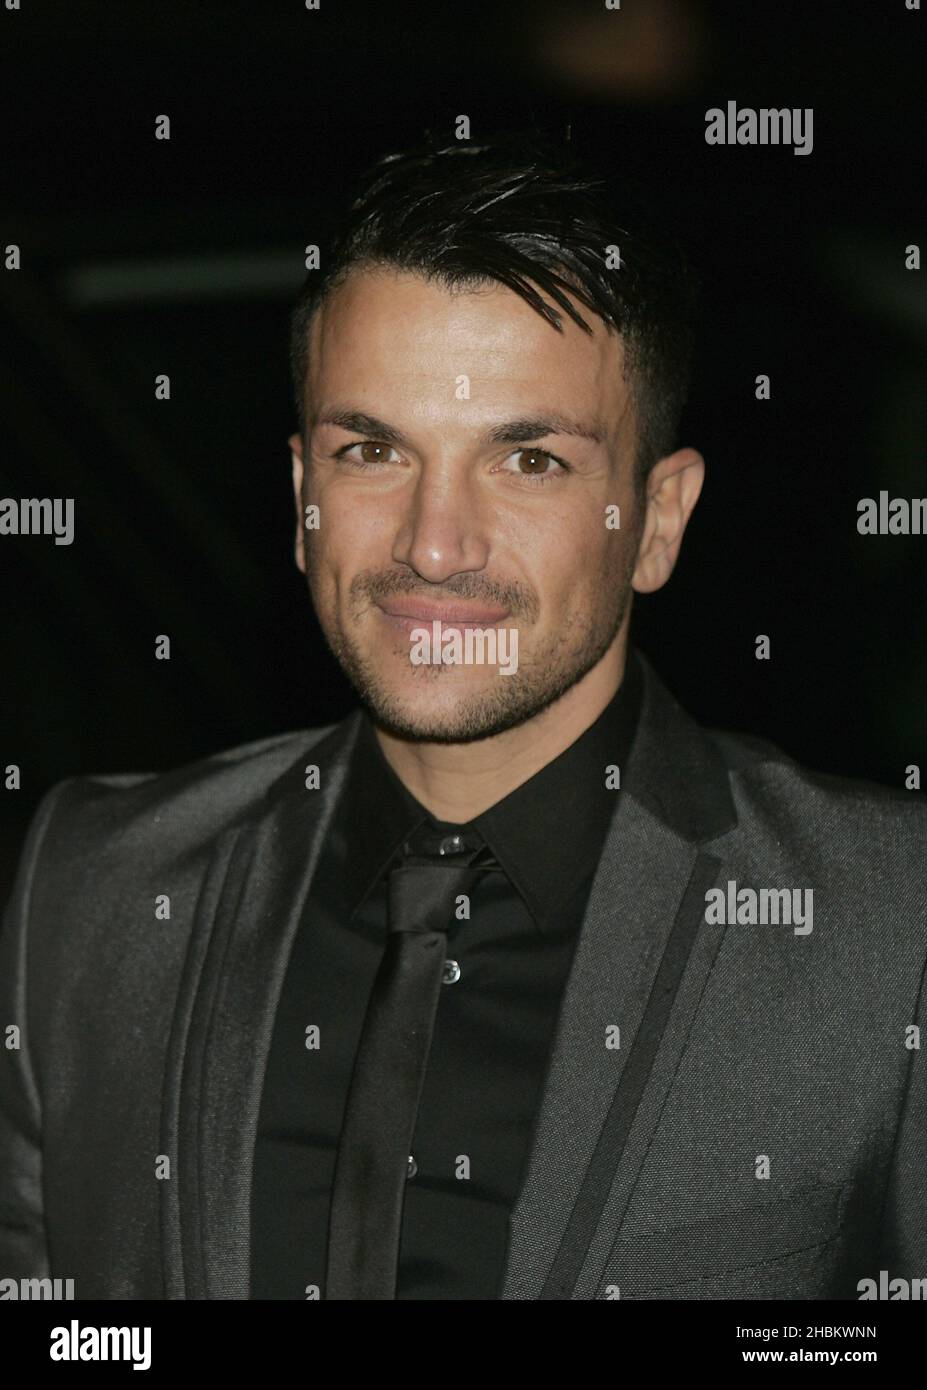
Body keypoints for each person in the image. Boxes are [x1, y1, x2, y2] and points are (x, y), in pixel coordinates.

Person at [1, 134, 924, 1302]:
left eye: (527, 459)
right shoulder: (90, 889)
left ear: (656, 520)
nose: (435, 545)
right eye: (374, 450)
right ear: (303, 501)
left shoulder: (889, 929)